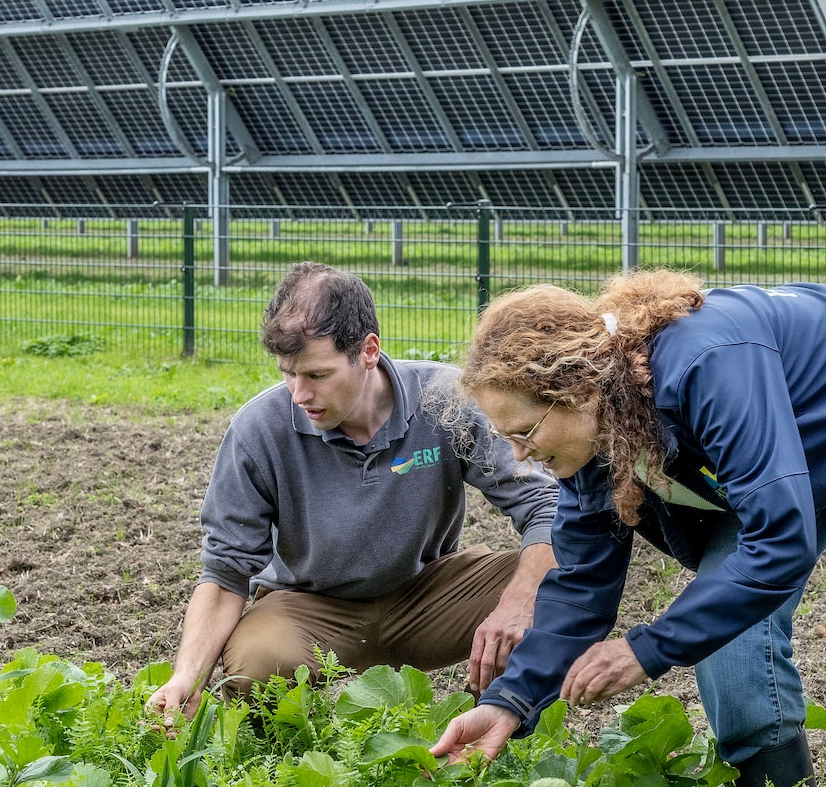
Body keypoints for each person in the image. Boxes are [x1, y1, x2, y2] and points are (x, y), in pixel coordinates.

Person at [429, 270, 826, 787]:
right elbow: (583, 581)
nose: (520, 455)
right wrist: (509, 702)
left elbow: (779, 541)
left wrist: (649, 648)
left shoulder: (705, 366)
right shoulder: (598, 432)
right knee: (729, 638)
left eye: (525, 434)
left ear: (577, 391)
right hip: (813, 442)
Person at [146, 263, 560, 717]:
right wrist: (187, 675)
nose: (299, 394)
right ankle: (293, 752)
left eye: (317, 375)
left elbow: (543, 504)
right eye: (288, 373)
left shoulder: (445, 399)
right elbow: (226, 571)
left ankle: (501, 722)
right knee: (253, 666)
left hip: (427, 596)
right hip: (311, 611)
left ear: (368, 351)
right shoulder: (257, 431)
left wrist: (517, 604)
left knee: (558, 589)